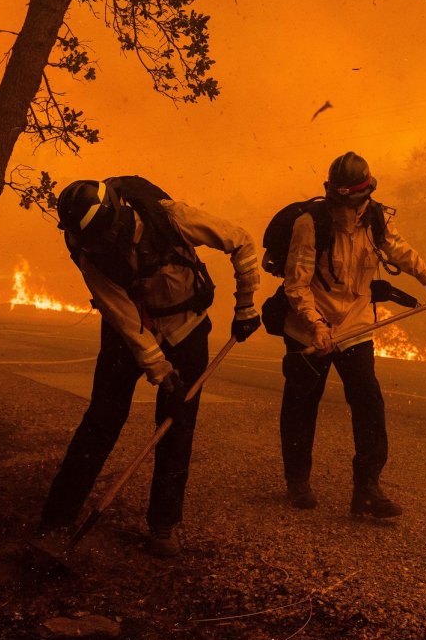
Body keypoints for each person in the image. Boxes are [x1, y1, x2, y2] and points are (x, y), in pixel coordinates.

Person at [40, 177, 261, 556]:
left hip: (187, 327)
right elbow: (122, 316)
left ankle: (163, 526)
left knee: (176, 426)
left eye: (102, 236)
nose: (98, 246)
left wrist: (245, 305)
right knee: (101, 421)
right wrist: (161, 372)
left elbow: (240, 239)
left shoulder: (170, 218)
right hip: (129, 334)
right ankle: (56, 520)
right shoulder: (87, 248)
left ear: (118, 217)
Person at [280, 152, 426, 518]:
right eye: (339, 203)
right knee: (301, 405)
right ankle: (298, 481)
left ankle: (368, 488)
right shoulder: (310, 226)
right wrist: (315, 324)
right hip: (309, 328)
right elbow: (296, 285)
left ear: (364, 198)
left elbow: (404, 253)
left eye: (352, 204)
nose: (346, 212)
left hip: (356, 326)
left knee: (369, 403)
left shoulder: (374, 219)